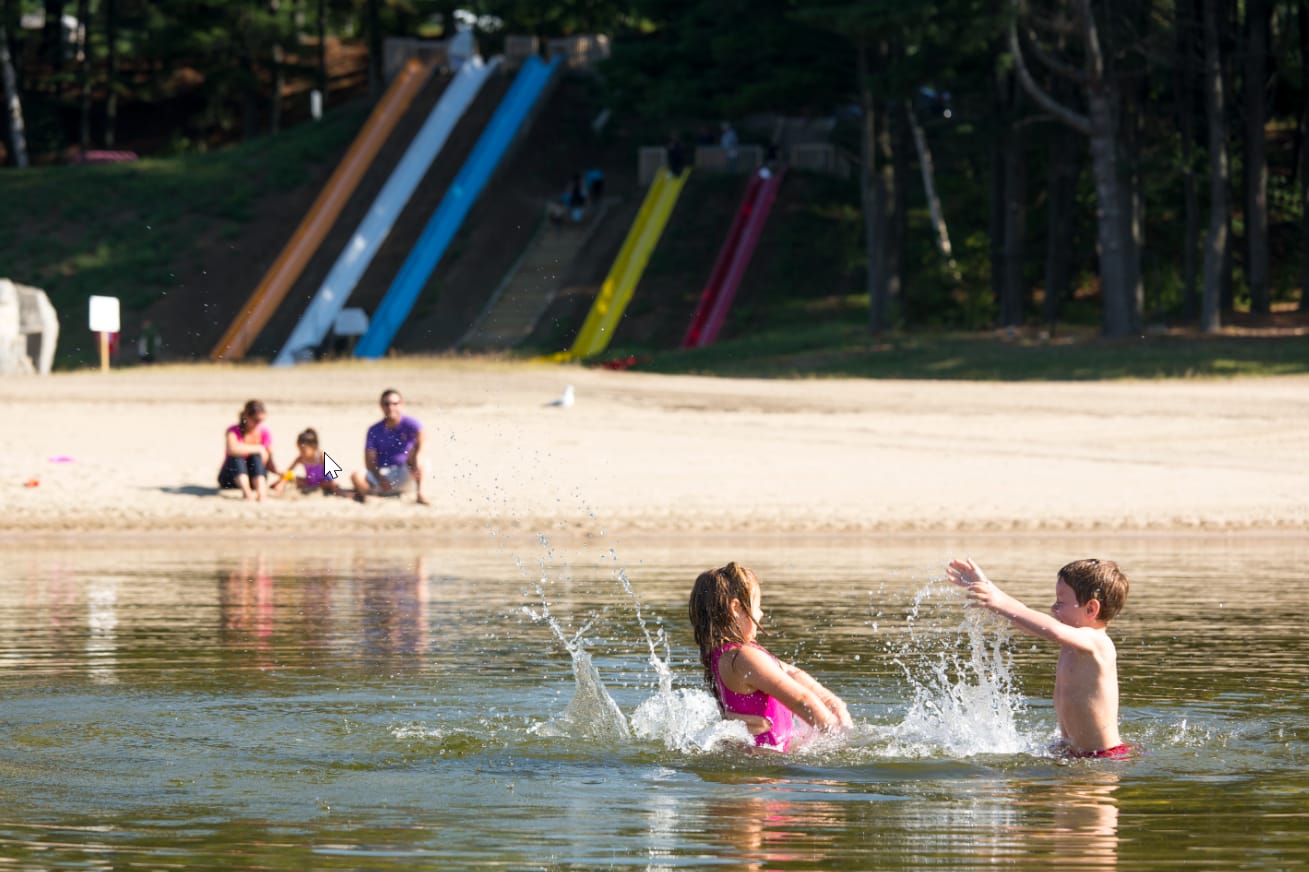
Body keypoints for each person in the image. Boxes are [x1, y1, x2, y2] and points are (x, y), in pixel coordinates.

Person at [946, 557, 1132, 759]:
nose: (1053, 608)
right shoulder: (1075, 641)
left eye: (1060, 603)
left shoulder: (1098, 643)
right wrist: (988, 590)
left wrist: (998, 600)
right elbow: (1024, 620)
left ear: (1091, 609)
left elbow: (1053, 630)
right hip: (1072, 752)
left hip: (1102, 757)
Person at [689, 561, 851, 752]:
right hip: (766, 766)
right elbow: (801, 700)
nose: (761, 613)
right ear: (736, 608)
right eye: (757, 606)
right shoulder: (743, 658)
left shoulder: (728, 655)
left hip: (764, 759)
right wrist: (837, 734)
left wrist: (834, 703)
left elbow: (791, 672)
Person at [350, 388, 430, 505]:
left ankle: (421, 493)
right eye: (386, 404)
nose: (391, 407)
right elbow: (369, 461)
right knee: (356, 475)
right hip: (383, 474)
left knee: (421, 457)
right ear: (381, 406)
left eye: (395, 404)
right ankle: (371, 496)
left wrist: (418, 456)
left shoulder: (411, 424)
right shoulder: (374, 430)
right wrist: (379, 477)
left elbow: (424, 440)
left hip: (405, 473)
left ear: (401, 404)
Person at [218, 399, 279, 501]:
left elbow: (269, 463)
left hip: (254, 478)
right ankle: (246, 492)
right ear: (246, 416)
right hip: (231, 477)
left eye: (261, 421)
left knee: (255, 457)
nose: (258, 424)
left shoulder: (264, 432)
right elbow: (232, 449)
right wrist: (259, 448)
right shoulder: (234, 431)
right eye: (256, 420)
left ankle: (261, 493)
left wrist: (280, 474)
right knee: (237, 456)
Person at [284, 428, 343, 496]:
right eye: (299, 450)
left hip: (323, 482)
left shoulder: (320, 456)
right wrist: (280, 483)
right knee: (292, 478)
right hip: (309, 482)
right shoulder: (301, 458)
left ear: (313, 447)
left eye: (303, 451)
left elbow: (331, 474)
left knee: (333, 483)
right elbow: (288, 471)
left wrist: (335, 487)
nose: (301, 453)